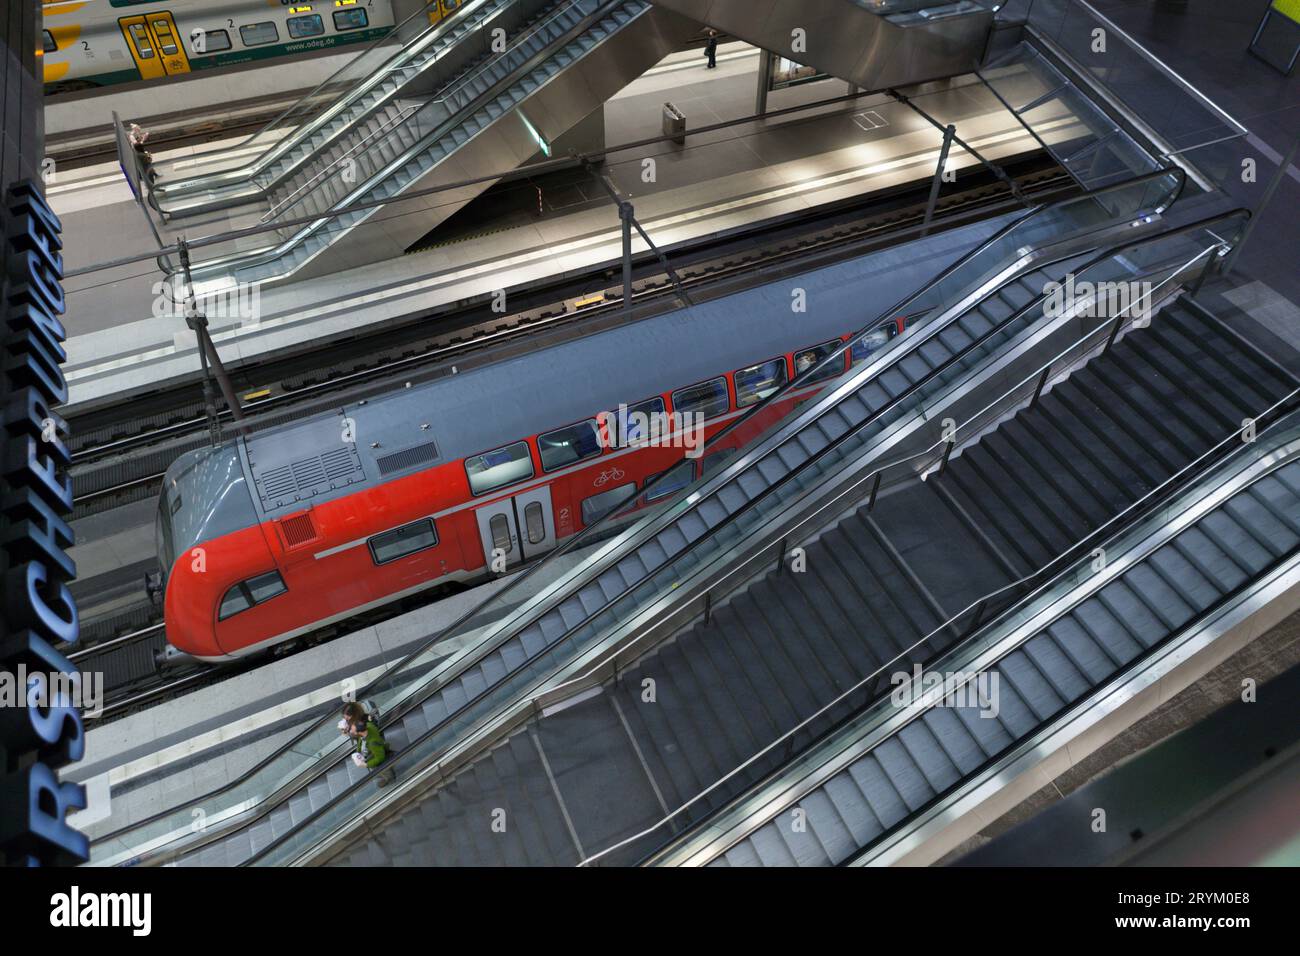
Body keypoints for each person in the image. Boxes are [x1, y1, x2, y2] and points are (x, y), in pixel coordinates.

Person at [339, 700, 393, 785]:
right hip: (367, 746)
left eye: (347, 717)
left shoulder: (371, 739)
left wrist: (366, 765)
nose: (346, 719)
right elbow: (362, 736)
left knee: (378, 765)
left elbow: (379, 757)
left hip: (372, 750)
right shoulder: (362, 726)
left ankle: (388, 778)